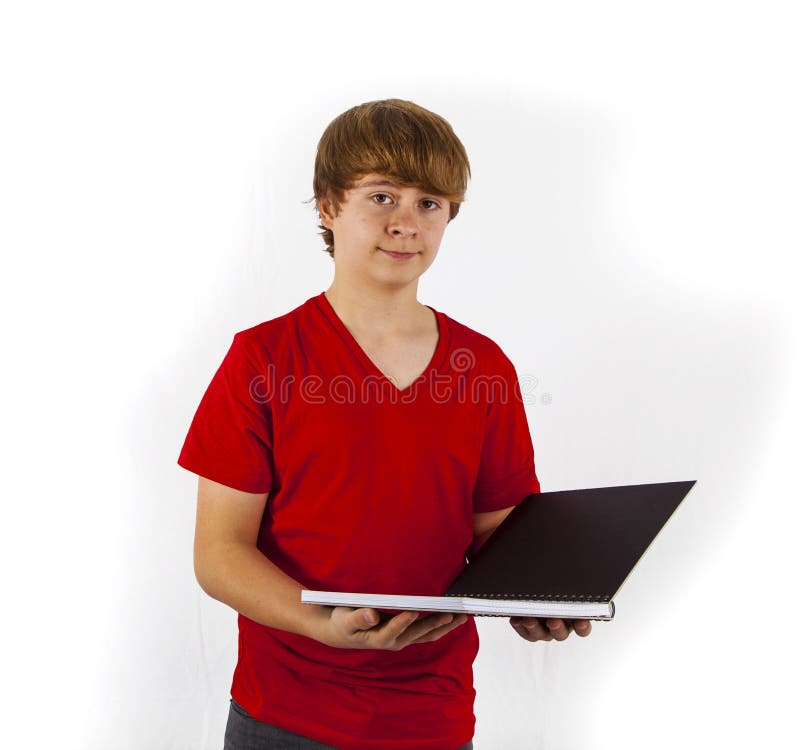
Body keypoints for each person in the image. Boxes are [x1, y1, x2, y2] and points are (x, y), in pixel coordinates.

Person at [177, 98, 591, 750]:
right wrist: (319, 623)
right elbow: (220, 552)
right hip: (284, 717)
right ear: (327, 207)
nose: (406, 222)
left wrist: (535, 596)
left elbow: (497, 535)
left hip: (432, 716)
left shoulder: (482, 367)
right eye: (381, 196)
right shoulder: (263, 360)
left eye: (429, 203)